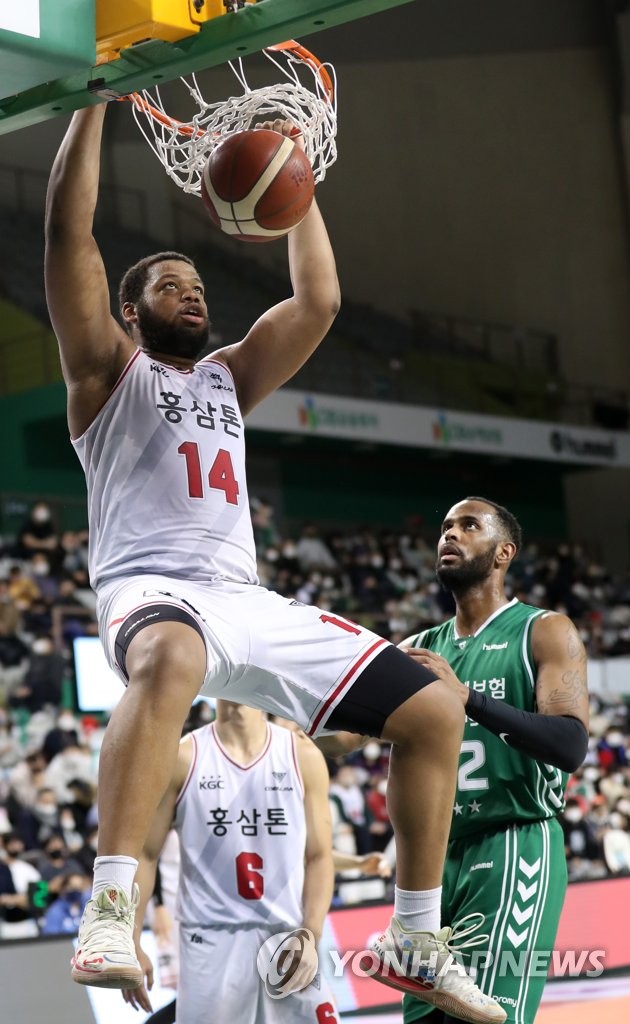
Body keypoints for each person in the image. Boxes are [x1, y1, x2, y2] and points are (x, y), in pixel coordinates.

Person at [45, 101, 503, 1023]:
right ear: (131, 312)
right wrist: (90, 101)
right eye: (171, 285)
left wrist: (297, 181)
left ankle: (415, 937)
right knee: (171, 660)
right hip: (153, 588)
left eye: (198, 282)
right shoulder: (105, 372)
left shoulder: (226, 375)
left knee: (433, 704)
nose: (195, 293)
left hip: (245, 598)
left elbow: (319, 303)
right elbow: (69, 231)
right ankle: (110, 911)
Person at [398, 497, 589, 1024]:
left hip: (512, 840)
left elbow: (571, 745)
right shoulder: (417, 649)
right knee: (427, 1019)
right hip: (434, 860)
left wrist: (469, 698)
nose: (449, 535)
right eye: (444, 527)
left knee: (488, 1019)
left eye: (467, 526)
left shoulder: (545, 630)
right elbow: (341, 737)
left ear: (504, 552)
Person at [122, 700, 340, 1023]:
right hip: (210, 940)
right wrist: (132, 940)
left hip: (287, 937)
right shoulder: (183, 757)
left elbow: (320, 856)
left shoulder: (302, 755)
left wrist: (312, 932)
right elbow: (146, 854)